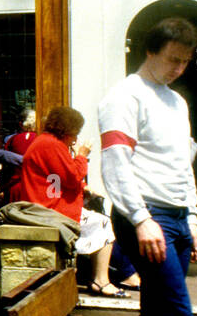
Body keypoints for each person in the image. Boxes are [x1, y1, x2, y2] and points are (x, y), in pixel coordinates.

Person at [98, 18, 197, 316]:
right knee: (177, 313)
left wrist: (192, 217)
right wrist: (141, 219)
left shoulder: (177, 102)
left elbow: (182, 164)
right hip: (147, 214)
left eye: (186, 61)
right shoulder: (124, 97)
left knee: (158, 311)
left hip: (177, 215)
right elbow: (115, 163)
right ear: (150, 50)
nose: (180, 68)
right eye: (173, 59)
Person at [16, 106, 123, 297]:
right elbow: (72, 176)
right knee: (104, 222)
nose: (75, 138)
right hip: (52, 212)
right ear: (66, 130)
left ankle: (97, 278)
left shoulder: (46, 143)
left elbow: (55, 180)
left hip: (44, 205)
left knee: (98, 222)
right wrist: (82, 155)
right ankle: (100, 280)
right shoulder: (52, 145)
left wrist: (82, 188)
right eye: (74, 133)